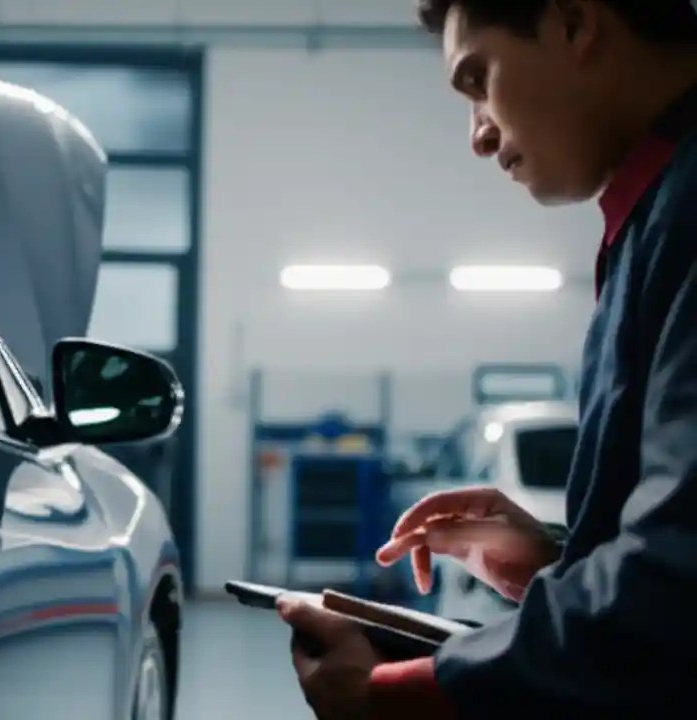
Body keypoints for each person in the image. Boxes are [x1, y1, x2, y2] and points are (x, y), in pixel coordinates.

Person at [275, 1, 697, 717]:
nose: (478, 135)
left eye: (478, 79)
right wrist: (555, 560)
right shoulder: (655, 214)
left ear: (573, 24)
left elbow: (677, 581)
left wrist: (399, 695)